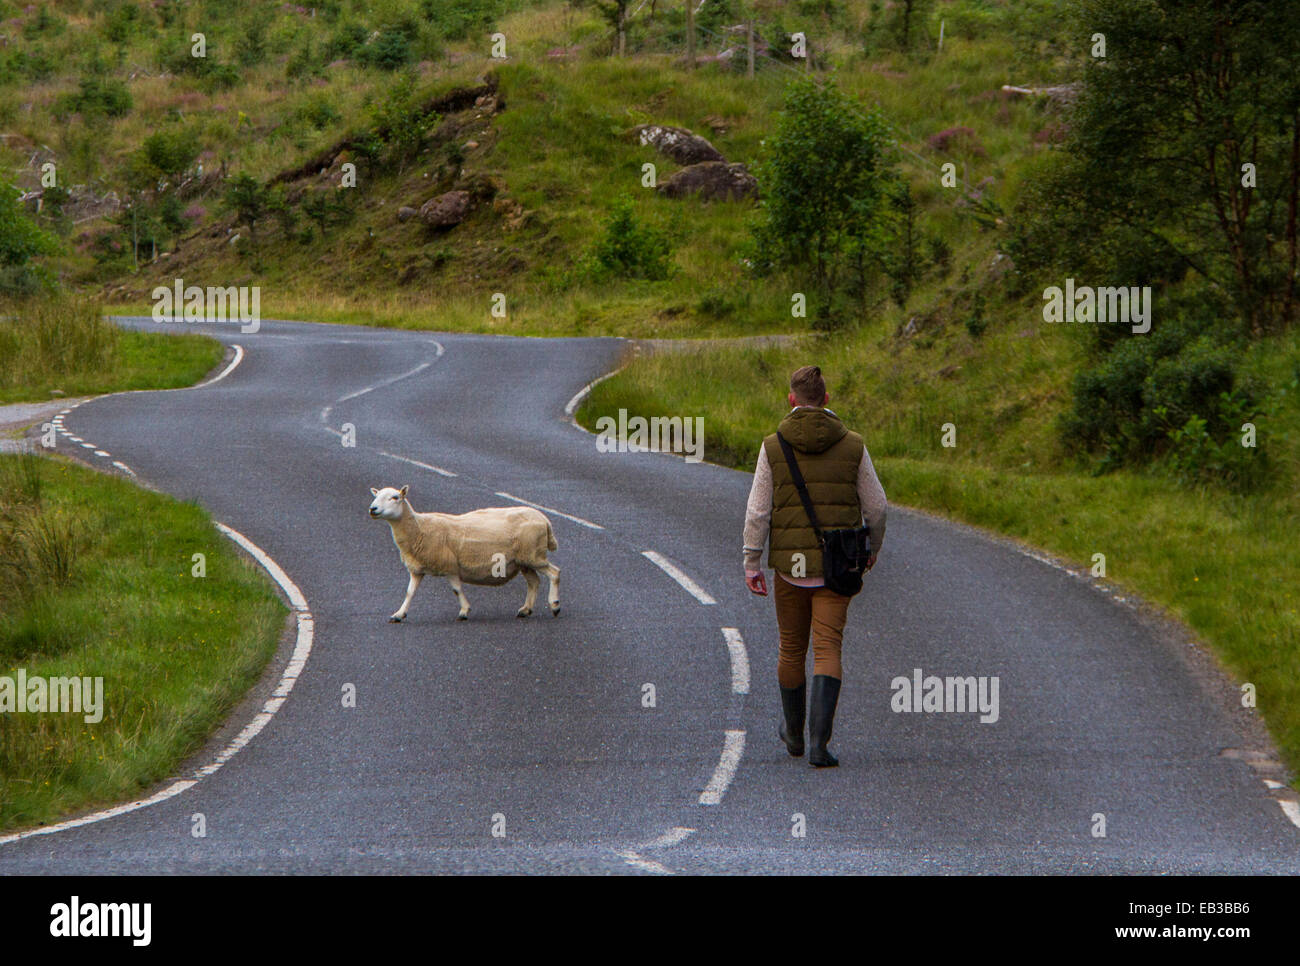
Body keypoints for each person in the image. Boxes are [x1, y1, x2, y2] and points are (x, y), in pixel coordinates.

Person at [742, 365, 887, 767]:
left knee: (791, 648)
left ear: (791, 400)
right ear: (826, 400)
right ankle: (820, 745)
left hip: (790, 568)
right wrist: (871, 548)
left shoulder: (773, 446)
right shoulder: (853, 445)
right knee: (827, 648)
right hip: (836, 567)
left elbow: (758, 511)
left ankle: (794, 735)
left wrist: (752, 560)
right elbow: (876, 506)